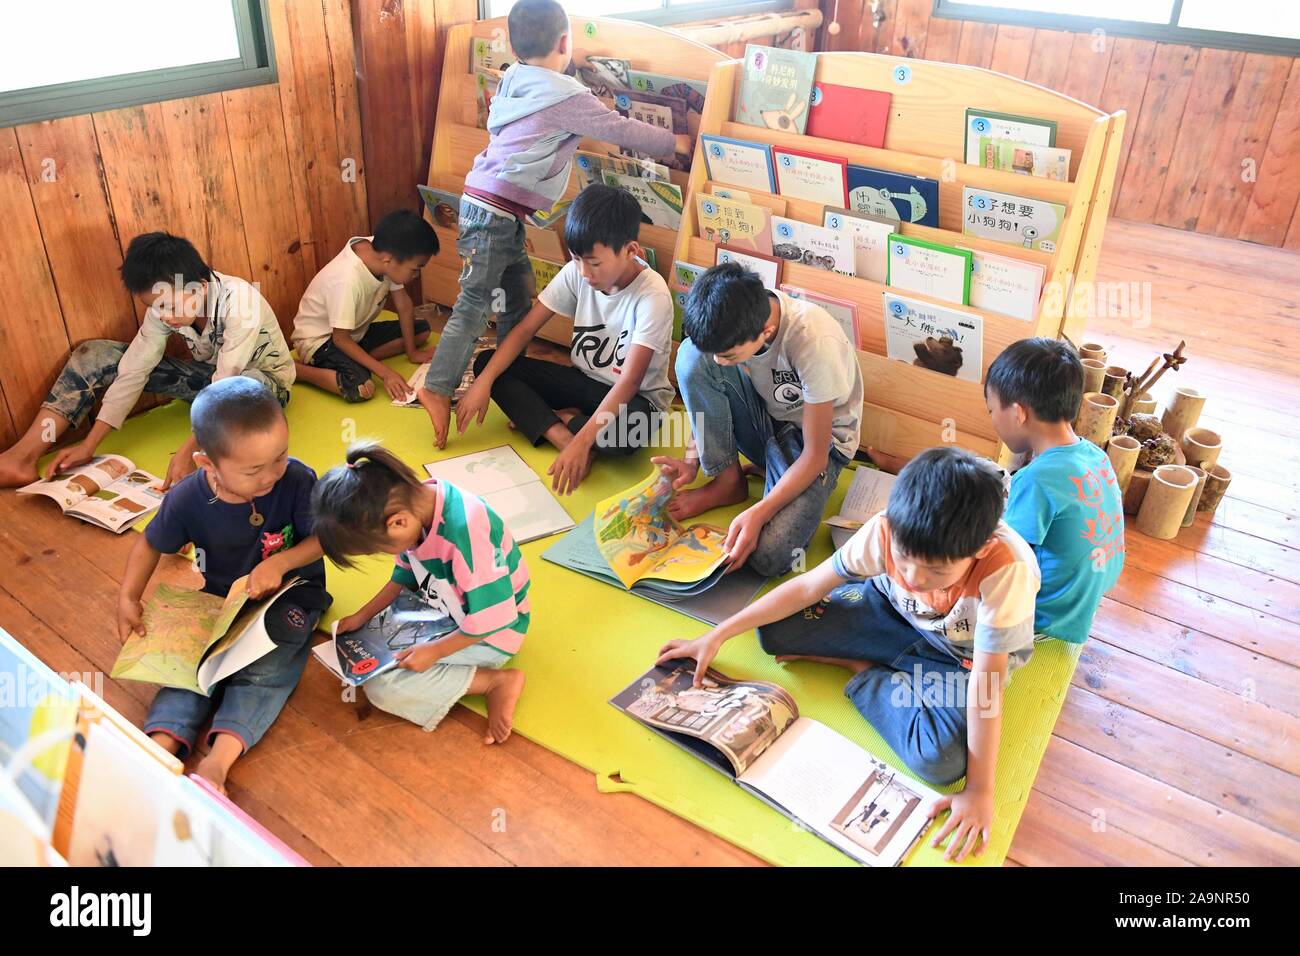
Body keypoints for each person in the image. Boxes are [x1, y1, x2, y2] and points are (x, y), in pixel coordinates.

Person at [658, 447, 1040, 862]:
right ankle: (879, 662)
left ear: (981, 549)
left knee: (942, 760)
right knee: (773, 631)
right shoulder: (887, 529)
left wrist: (980, 792)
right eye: (905, 560)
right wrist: (718, 635)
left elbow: (987, 684)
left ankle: (861, 668)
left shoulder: (1008, 570)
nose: (913, 578)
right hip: (890, 616)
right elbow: (807, 587)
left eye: (935, 572)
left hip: (958, 660)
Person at [416, 0, 686, 447]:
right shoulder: (566, 97)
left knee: (517, 298)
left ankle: (525, 394)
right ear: (565, 42)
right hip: (495, 212)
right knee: (475, 304)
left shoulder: (516, 79)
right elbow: (623, 131)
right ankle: (437, 387)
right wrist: (672, 140)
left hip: (493, 209)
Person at [117, 378, 331, 791]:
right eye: (254, 470)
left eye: (280, 456)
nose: (272, 474)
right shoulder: (185, 499)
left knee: (269, 665)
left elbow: (325, 540)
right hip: (219, 601)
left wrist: (282, 563)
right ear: (207, 464)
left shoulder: (299, 480)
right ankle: (163, 742)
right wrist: (127, 596)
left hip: (290, 596)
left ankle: (219, 761)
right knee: (191, 664)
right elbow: (149, 543)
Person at [0, 232, 293, 490]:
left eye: (167, 305)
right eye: (154, 306)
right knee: (96, 354)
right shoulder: (166, 307)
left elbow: (228, 384)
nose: (163, 315)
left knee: (246, 383)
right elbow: (134, 370)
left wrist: (189, 451)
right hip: (211, 382)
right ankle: (23, 456)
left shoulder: (241, 302)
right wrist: (88, 445)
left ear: (200, 287)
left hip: (262, 391)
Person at [456, 184, 674, 493]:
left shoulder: (653, 295)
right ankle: (562, 432)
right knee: (488, 364)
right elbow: (524, 330)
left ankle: (555, 422)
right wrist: (483, 383)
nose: (585, 272)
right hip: (582, 382)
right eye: (577, 259)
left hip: (637, 401)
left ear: (630, 251)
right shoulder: (578, 271)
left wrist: (583, 442)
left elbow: (629, 382)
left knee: (628, 435)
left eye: (594, 263)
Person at [653, 262, 863, 577]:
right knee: (691, 357)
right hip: (769, 419)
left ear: (765, 332)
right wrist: (692, 461)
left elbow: (816, 457)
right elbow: (709, 378)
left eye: (728, 356)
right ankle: (728, 482)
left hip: (815, 445)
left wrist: (757, 513)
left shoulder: (814, 341)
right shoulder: (741, 317)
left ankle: (771, 474)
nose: (719, 362)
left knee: (771, 556)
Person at [312, 443, 529, 743]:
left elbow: (496, 616)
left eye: (379, 548)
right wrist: (364, 614)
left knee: (384, 687)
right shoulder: (416, 509)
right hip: (443, 610)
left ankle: (495, 682)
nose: (384, 553)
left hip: (493, 632)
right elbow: (405, 574)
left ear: (398, 522)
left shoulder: (466, 532)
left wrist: (435, 652)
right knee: (376, 658)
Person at [985, 337, 1125, 643]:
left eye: (992, 410)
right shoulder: (1094, 455)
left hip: (1048, 615)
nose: (992, 420)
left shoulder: (1036, 480)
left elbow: (1006, 561)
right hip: (1087, 595)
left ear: (1018, 413)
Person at [291, 208, 439, 403]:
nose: (416, 275)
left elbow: (404, 305)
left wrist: (412, 353)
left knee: (421, 330)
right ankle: (298, 370)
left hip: (356, 331)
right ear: (389, 260)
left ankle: (357, 359)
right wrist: (386, 373)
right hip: (321, 340)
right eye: (415, 269)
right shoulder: (347, 279)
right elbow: (340, 339)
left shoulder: (384, 254)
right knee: (361, 388)